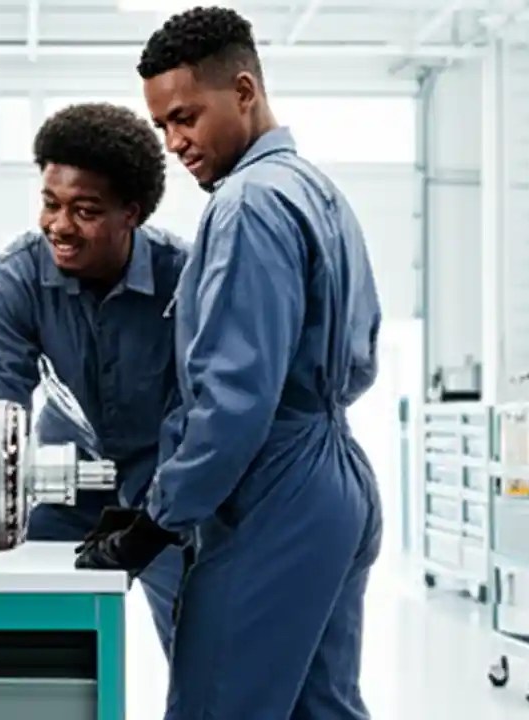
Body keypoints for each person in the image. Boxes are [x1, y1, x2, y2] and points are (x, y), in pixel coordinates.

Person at [73, 8, 383, 719]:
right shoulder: (317, 191)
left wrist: (158, 520)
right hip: (338, 484)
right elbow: (360, 352)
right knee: (321, 708)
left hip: (272, 492)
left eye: (185, 117)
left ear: (243, 91)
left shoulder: (247, 205)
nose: (174, 142)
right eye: (161, 126)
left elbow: (233, 402)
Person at [0, 102, 188, 657]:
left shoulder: (185, 277)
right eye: (50, 203)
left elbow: (205, 408)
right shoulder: (15, 279)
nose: (60, 226)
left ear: (130, 213)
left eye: (85, 210)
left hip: (167, 492)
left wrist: (162, 511)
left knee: (203, 655)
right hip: (68, 487)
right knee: (36, 651)